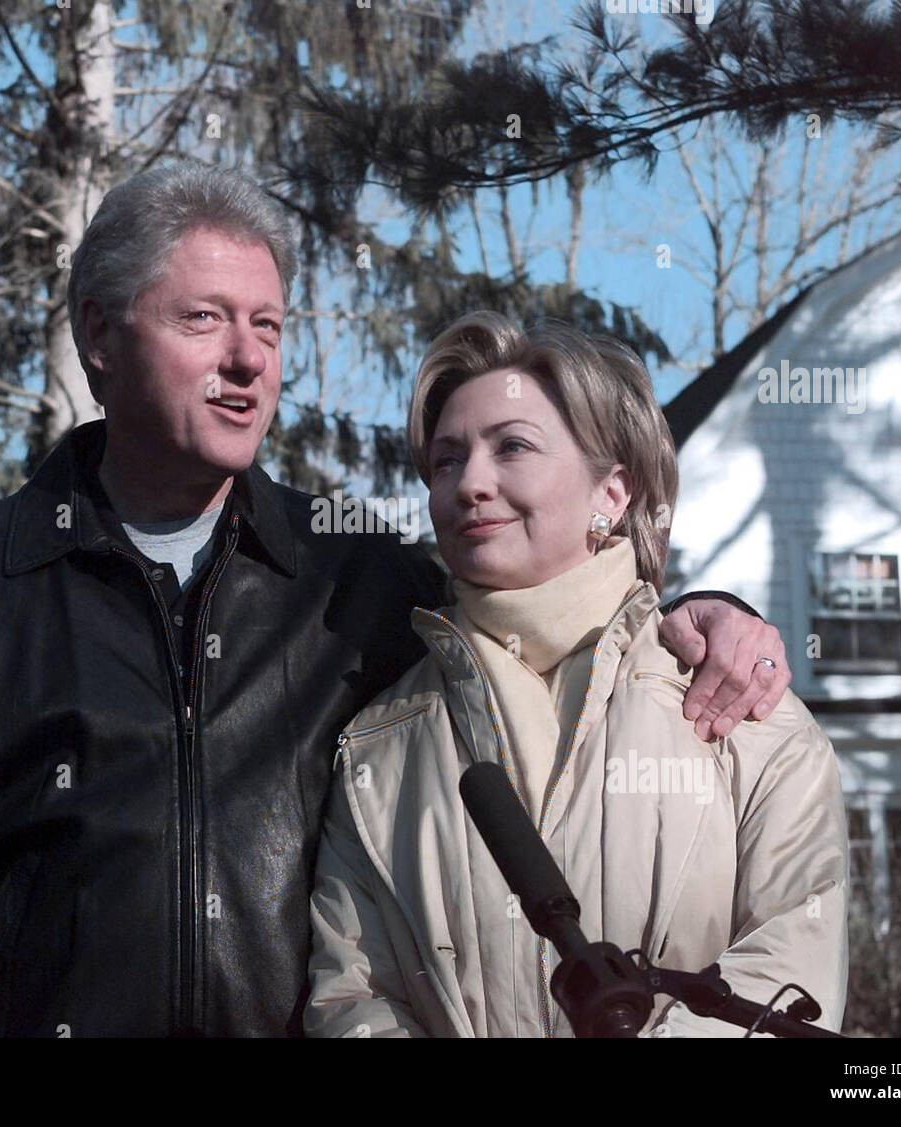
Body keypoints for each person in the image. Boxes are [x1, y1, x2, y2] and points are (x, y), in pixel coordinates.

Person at [0, 162, 796, 1037]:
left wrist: (700, 605)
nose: (248, 358)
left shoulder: (357, 579)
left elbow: (551, 610)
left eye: (267, 324)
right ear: (97, 333)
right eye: (204, 318)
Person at [305, 311, 849, 1037]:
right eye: (445, 459)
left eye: (513, 447)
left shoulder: (750, 713)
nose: (470, 482)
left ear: (613, 494)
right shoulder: (375, 749)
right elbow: (352, 997)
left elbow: (791, 977)